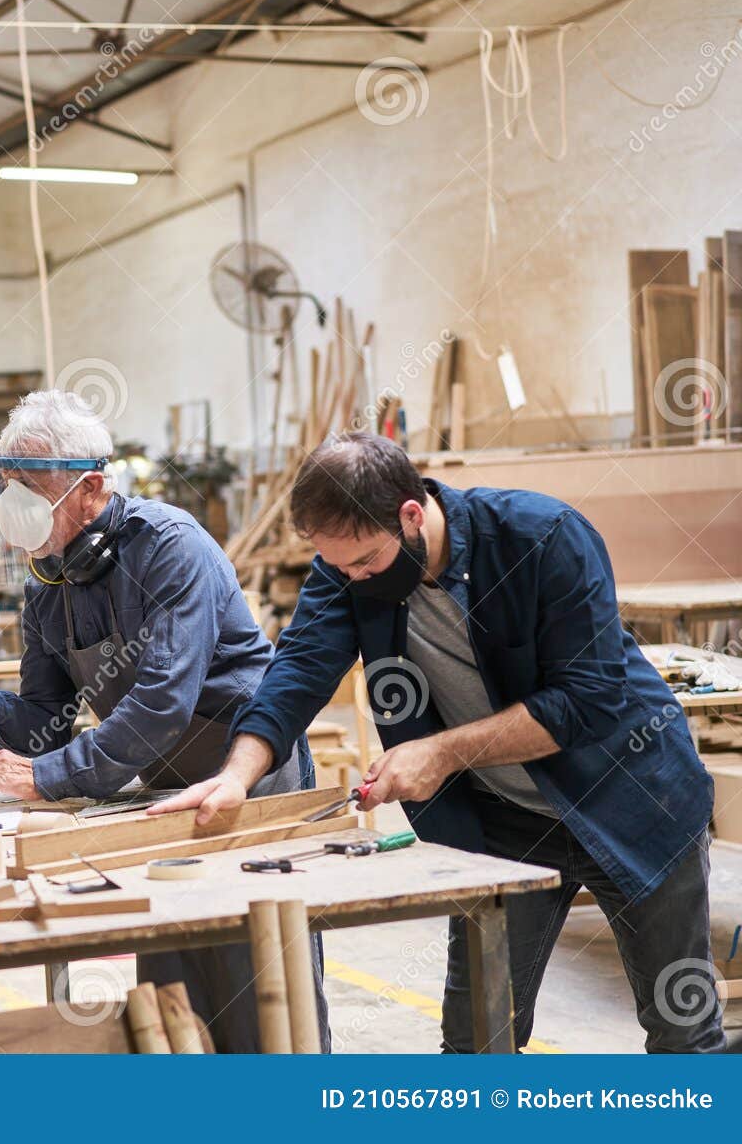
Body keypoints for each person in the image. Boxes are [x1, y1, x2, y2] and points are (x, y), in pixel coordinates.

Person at [156, 431, 722, 1052]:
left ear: (410, 515)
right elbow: (297, 672)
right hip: (508, 825)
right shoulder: (347, 567)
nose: (353, 577)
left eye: (365, 562)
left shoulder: (543, 538)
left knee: (683, 1034)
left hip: (634, 798)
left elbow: (586, 701)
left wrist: (442, 752)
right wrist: (238, 775)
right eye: (340, 567)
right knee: (476, 1044)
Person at [0, 388, 327, 1051]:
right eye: (8, 484)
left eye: (31, 486)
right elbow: (46, 723)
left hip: (249, 782)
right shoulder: (47, 583)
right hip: (162, 794)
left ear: (92, 488)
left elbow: (160, 706)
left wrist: (47, 776)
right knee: (175, 994)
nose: (13, 501)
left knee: (265, 991)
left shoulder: (169, 548)